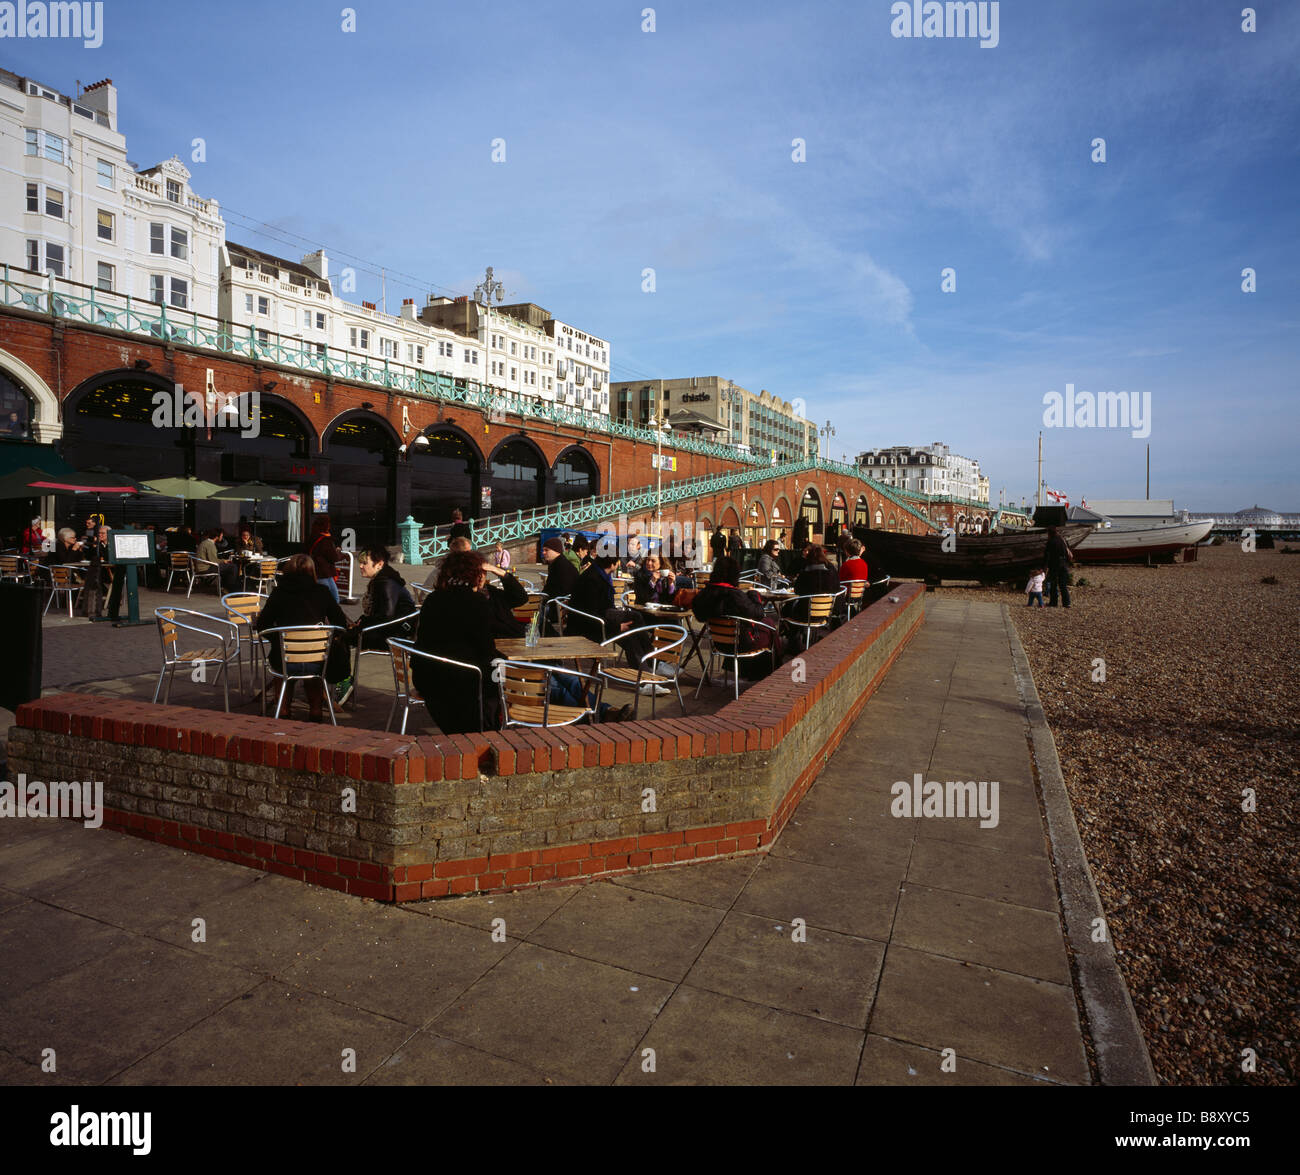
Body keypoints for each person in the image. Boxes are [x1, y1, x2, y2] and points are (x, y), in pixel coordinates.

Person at [412, 549, 502, 734]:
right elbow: (485, 649)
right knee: (500, 672)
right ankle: (494, 727)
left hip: (428, 679)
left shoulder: (433, 599)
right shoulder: (477, 602)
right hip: (462, 683)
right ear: (475, 575)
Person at [255, 552, 350, 720]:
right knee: (312, 663)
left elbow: (262, 625)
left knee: (282, 664)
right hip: (317, 659)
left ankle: (283, 710)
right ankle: (315, 712)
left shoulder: (279, 593)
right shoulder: (322, 591)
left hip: (285, 659)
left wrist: (280, 640)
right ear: (312, 571)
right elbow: (340, 623)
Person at [691, 554, 781, 682]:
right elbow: (758, 612)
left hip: (718, 644)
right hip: (741, 645)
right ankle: (772, 670)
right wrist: (754, 594)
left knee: (756, 626)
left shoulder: (706, 593)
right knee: (769, 624)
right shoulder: (734, 595)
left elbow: (699, 617)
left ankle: (743, 669)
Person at [790, 544, 841, 625]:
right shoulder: (831, 570)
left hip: (806, 613)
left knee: (787, 608)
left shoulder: (806, 571)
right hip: (827, 611)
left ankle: (792, 634)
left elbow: (797, 590)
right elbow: (837, 587)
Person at [306, 514, 342, 602]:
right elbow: (334, 557)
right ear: (326, 525)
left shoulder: (312, 537)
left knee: (321, 598)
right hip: (324, 573)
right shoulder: (326, 540)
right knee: (334, 599)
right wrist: (338, 551)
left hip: (313, 571)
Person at [540, 536, 579, 611]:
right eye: (543, 550)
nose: (543, 552)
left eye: (546, 550)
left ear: (557, 551)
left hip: (563, 607)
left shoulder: (561, 565)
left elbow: (561, 590)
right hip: (561, 604)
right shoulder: (557, 563)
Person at [196, 527, 239, 592]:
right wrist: (223, 561)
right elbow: (213, 560)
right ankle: (231, 589)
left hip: (202, 566)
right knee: (233, 567)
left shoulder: (205, 542)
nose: (222, 537)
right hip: (205, 568)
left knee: (227, 567)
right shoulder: (210, 544)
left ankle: (223, 588)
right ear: (217, 536)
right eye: (221, 535)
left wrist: (223, 561)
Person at [1045, 527, 1073, 608]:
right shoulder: (1063, 540)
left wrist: (1045, 567)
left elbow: (1047, 555)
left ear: (1049, 534)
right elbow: (1068, 552)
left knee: (1053, 584)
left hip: (1054, 564)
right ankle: (1067, 603)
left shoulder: (1050, 542)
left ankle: (1054, 602)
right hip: (1063, 564)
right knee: (1063, 584)